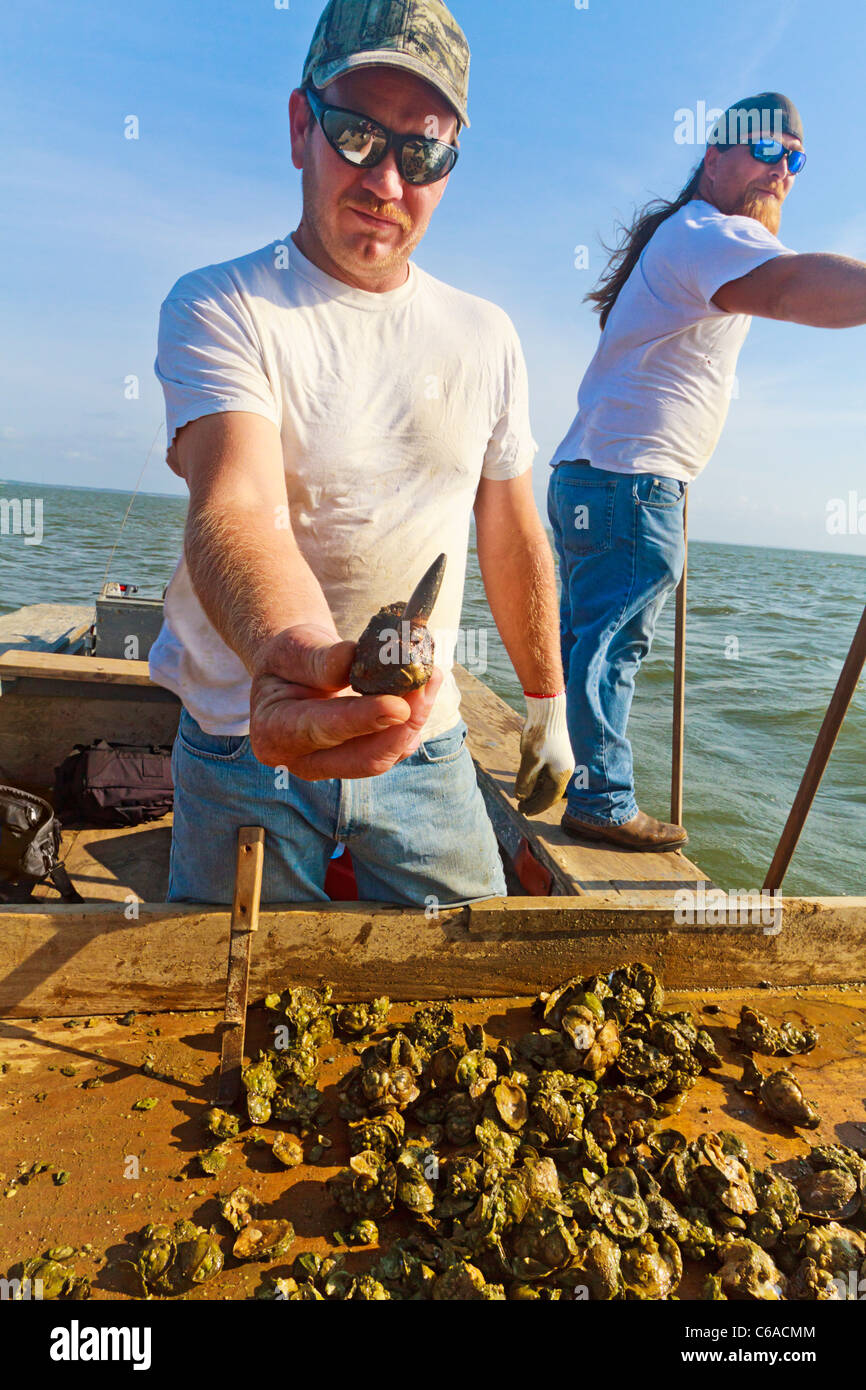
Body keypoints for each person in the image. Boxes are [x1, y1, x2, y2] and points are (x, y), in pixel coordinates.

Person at [150, 0, 574, 905]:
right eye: (356, 135)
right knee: (229, 1011)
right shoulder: (222, 305)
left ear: (449, 168)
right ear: (302, 125)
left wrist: (547, 704)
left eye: (420, 153)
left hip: (424, 745)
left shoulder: (487, 336)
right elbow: (234, 505)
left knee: (472, 983)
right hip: (244, 739)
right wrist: (295, 658)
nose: (386, 178)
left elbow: (509, 530)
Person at [548, 91, 866, 851]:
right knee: (612, 645)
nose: (782, 171)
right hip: (631, 481)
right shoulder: (705, 234)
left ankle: (585, 776)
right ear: (713, 159)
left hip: (599, 473)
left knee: (595, 638)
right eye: (766, 151)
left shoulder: (690, 237)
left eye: (796, 160)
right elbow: (793, 287)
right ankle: (603, 798)